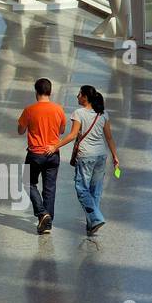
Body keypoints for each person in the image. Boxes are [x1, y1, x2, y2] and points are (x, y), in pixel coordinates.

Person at [52, 86, 121, 237]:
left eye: (79, 94)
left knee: (82, 188)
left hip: (85, 156)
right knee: (95, 190)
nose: (77, 97)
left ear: (85, 97)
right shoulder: (102, 114)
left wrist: (55, 146)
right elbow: (109, 137)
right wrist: (115, 156)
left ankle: (96, 218)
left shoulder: (79, 113)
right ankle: (92, 224)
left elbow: (72, 136)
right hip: (101, 156)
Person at [17, 77, 67, 235]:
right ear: (50, 92)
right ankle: (47, 222)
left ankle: (42, 213)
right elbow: (62, 131)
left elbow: (20, 130)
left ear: (36, 92)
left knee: (27, 182)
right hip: (53, 154)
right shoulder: (58, 109)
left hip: (35, 154)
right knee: (49, 189)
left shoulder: (30, 110)